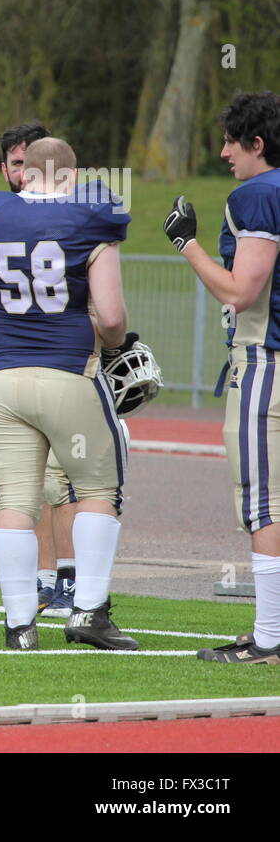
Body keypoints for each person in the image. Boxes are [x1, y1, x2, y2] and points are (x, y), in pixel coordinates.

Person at [0, 137, 135, 650]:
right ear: (72, 175)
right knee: (99, 491)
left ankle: (18, 626)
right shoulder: (89, 217)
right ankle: (89, 613)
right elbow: (114, 316)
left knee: (14, 501)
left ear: (24, 174)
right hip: (69, 374)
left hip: (2, 378)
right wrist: (116, 343)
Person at [164, 90, 280, 663]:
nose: (223, 152)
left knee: (263, 502)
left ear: (257, 144)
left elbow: (242, 289)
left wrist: (187, 244)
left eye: (232, 141)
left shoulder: (258, 195)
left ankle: (269, 637)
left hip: (267, 364)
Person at [0, 122, 78, 618]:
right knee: (19, 484)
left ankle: (63, 583)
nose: (25, 172)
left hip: (50, 367)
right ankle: (45, 582)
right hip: (11, 366)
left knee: (63, 480)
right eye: (17, 163)